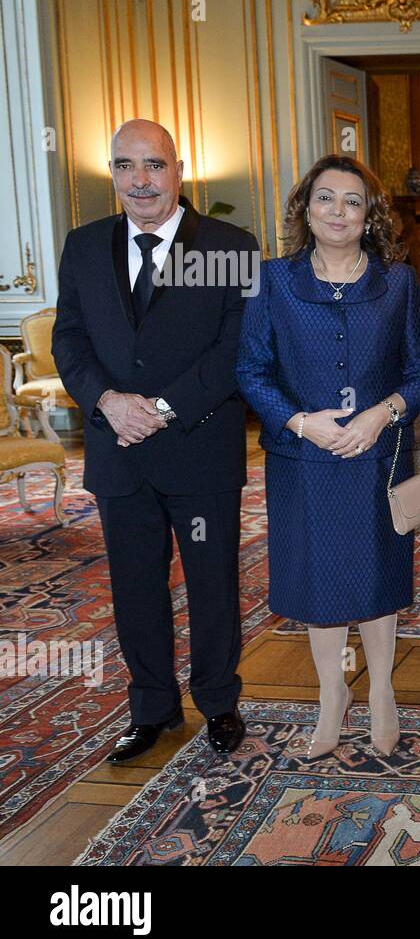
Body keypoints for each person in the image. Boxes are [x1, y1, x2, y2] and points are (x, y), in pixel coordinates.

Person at [52, 119, 257, 763]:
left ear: (178, 166)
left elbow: (237, 347)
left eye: (153, 165)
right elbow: (69, 339)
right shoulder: (84, 246)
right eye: (124, 166)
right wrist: (108, 402)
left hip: (197, 446)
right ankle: (152, 710)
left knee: (213, 583)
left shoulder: (230, 244)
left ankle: (219, 703)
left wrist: (164, 408)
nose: (139, 180)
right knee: (134, 586)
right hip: (119, 450)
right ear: (112, 173)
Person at [236, 154, 420, 760]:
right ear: (305, 208)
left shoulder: (397, 283)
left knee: (377, 576)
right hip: (303, 461)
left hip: (378, 457)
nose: (338, 211)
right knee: (319, 584)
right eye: (326, 198)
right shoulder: (271, 280)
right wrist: (303, 423)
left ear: (370, 214)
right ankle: (330, 697)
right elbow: (251, 369)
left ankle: (380, 693)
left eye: (353, 201)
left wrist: (381, 414)